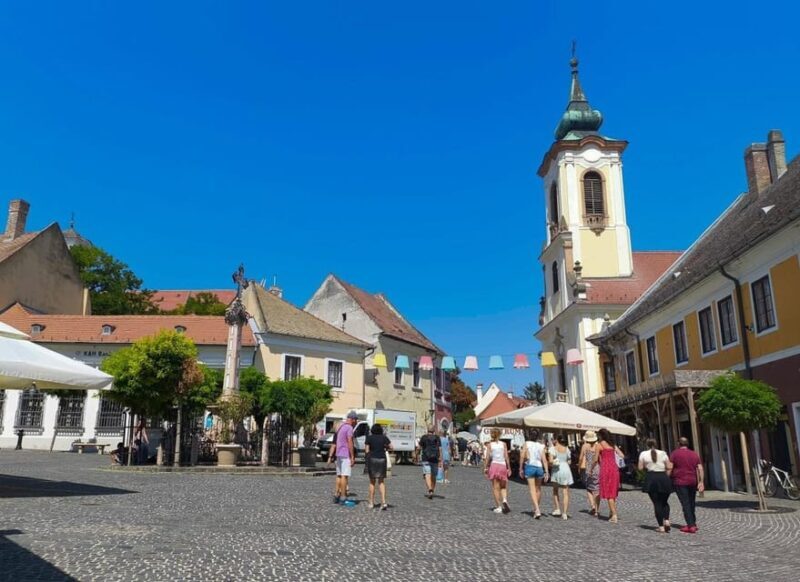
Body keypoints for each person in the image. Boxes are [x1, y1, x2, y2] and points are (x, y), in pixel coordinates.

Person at [670, 436, 705, 533]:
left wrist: (667, 476)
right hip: (692, 481)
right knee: (691, 502)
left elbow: (670, 467)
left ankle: (691, 525)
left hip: (680, 481)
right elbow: (700, 468)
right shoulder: (694, 454)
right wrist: (701, 482)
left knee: (685, 503)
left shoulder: (675, 454)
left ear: (678, 444)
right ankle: (693, 522)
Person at [638, 438, 673, 533]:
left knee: (657, 503)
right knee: (664, 501)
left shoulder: (643, 454)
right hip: (663, 477)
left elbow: (640, 467)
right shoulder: (663, 453)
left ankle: (661, 526)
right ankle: (667, 520)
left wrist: (647, 465)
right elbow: (669, 466)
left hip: (651, 478)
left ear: (647, 445)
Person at [592, 428, 622, 523]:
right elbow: (622, 455)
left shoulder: (599, 445)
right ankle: (611, 512)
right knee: (613, 491)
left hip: (605, 469)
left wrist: (591, 468)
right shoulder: (613, 445)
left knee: (609, 493)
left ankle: (614, 515)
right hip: (614, 469)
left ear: (601, 435)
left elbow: (595, 459)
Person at [327, 411, 356, 504]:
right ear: (352, 419)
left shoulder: (340, 427)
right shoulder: (349, 428)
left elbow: (335, 442)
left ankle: (336, 494)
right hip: (345, 454)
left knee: (339, 475)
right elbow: (350, 442)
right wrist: (352, 456)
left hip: (338, 454)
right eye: (355, 420)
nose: (356, 422)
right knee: (344, 476)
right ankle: (343, 497)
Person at [519, 428, 549, 519]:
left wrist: (520, 468)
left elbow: (522, 456)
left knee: (532, 489)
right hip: (539, 467)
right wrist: (546, 472)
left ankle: (537, 509)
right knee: (538, 489)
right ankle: (537, 508)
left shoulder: (526, 444)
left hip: (530, 466)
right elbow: (544, 460)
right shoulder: (541, 446)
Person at [365, 423, 392, 510]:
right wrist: (385, 448)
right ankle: (383, 502)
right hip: (382, 459)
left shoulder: (369, 438)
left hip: (372, 459)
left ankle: (371, 503)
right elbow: (392, 447)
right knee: (381, 481)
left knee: (372, 482)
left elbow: (366, 450)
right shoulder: (384, 437)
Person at [484, 428, 512, 514]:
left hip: (494, 465)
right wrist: (509, 468)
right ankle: (504, 499)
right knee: (503, 486)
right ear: (500, 435)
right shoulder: (504, 444)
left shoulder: (490, 445)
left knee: (495, 488)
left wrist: (485, 467)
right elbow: (506, 457)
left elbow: (488, 457)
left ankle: (498, 506)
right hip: (502, 465)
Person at [548, 434, 574, 519]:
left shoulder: (553, 449)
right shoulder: (567, 449)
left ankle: (558, 509)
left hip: (557, 469)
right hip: (566, 469)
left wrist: (554, 462)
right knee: (565, 492)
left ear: (557, 440)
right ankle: (565, 513)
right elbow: (569, 461)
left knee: (555, 490)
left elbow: (550, 461)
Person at [416, 426, 442, 499]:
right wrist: (440, 459)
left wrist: (416, 454)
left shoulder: (424, 437)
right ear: (434, 430)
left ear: (427, 430)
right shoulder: (437, 438)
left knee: (427, 474)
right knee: (433, 475)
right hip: (435, 458)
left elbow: (418, 447)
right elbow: (440, 449)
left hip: (426, 458)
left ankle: (430, 490)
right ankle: (432, 490)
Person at [578, 430, 600, 515]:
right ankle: (597, 510)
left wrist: (579, 467)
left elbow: (580, 458)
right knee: (597, 489)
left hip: (588, 468)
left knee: (589, 488)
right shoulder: (598, 446)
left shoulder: (585, 446)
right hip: (597, 468)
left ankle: (593, 506)